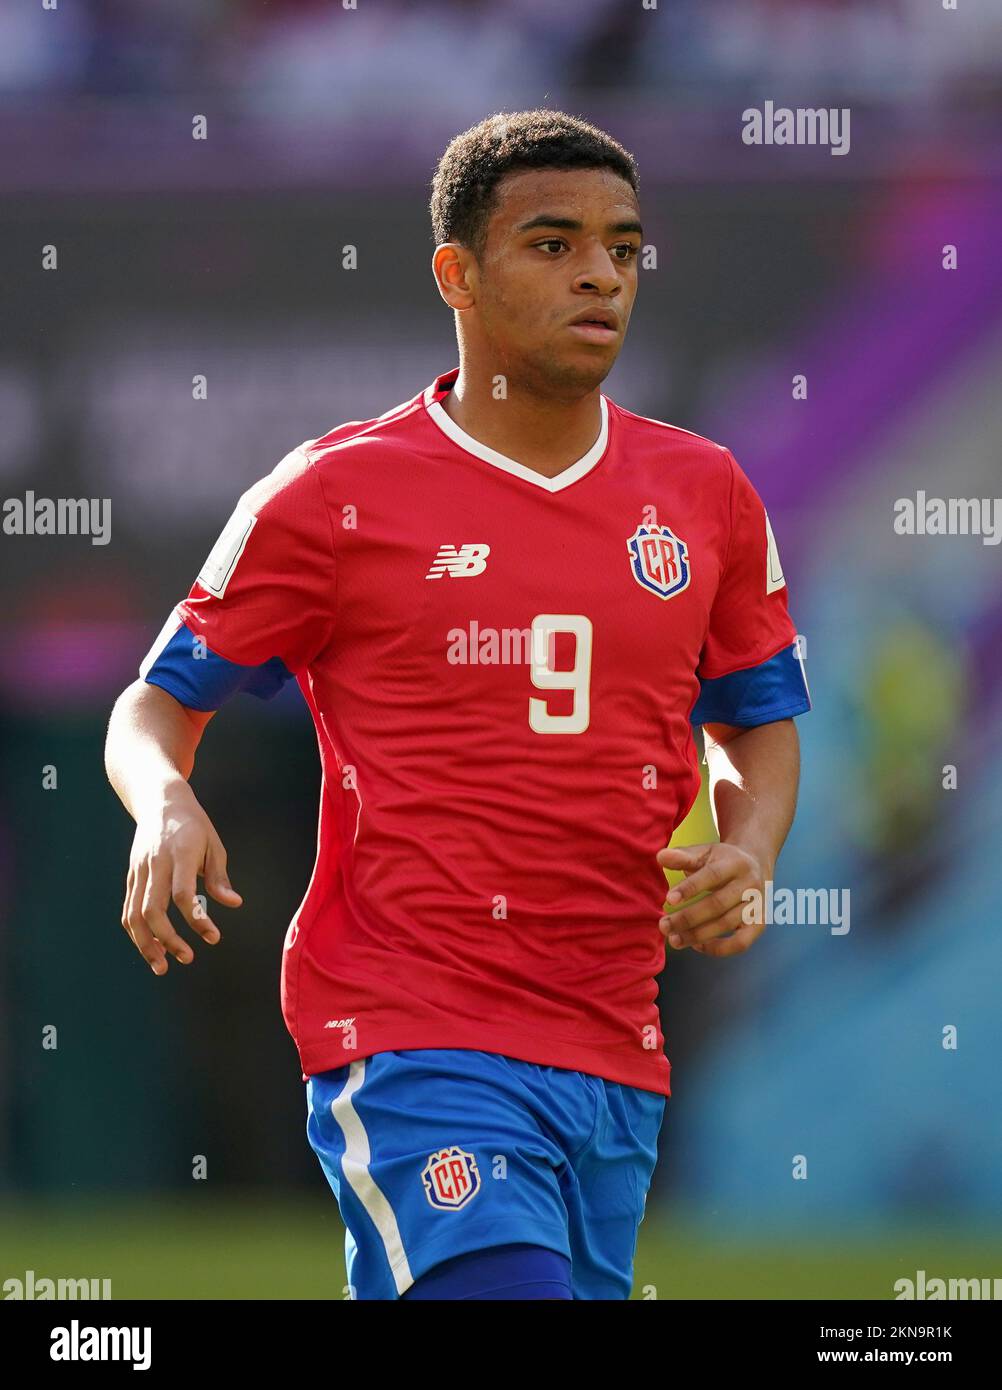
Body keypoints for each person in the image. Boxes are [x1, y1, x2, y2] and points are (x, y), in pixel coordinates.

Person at [105, 109, 810, 1301]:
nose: (599, 271)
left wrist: (749, 843)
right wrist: (164, 801)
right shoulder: (334, 493)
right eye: (552, 242)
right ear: (458, 275)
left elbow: (754, 721)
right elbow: (154, 700)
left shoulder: (706, 494)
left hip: (612, 1044)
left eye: (623, 248)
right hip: (412, 1029)